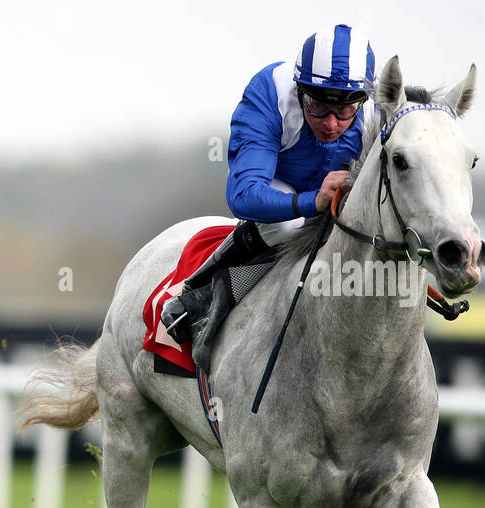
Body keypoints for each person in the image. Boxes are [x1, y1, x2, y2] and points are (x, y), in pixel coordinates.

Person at [160, 24, 374, 344]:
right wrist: (312, 201)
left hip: (342, 202)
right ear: (299, 90)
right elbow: (244, 195)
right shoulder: (271, 92)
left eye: (344, 109)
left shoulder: (380, 110)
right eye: (317, 106)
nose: (331, 123)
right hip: (281, 190)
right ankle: (200, 291)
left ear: (363, 100)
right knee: (290, 227)